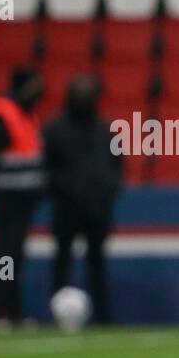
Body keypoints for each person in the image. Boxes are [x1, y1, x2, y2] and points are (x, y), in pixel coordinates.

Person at [44, 73, 123, 324]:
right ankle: (56, 316)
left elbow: (115, 169)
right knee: (62, 263)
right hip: (66, 208)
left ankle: (103, 315)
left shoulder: (104, 131)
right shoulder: (54, 129)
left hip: (97, 209)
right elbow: (47, 169)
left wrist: (104, 195)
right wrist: (67, 191)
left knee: (97, 265)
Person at [0, 66, 47, 327]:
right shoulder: (4, 115)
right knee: (5, 257)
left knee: (15, 257)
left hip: (22, 204)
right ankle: (1, 311)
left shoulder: (27, 115)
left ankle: (13, 311)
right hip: (6, 203)